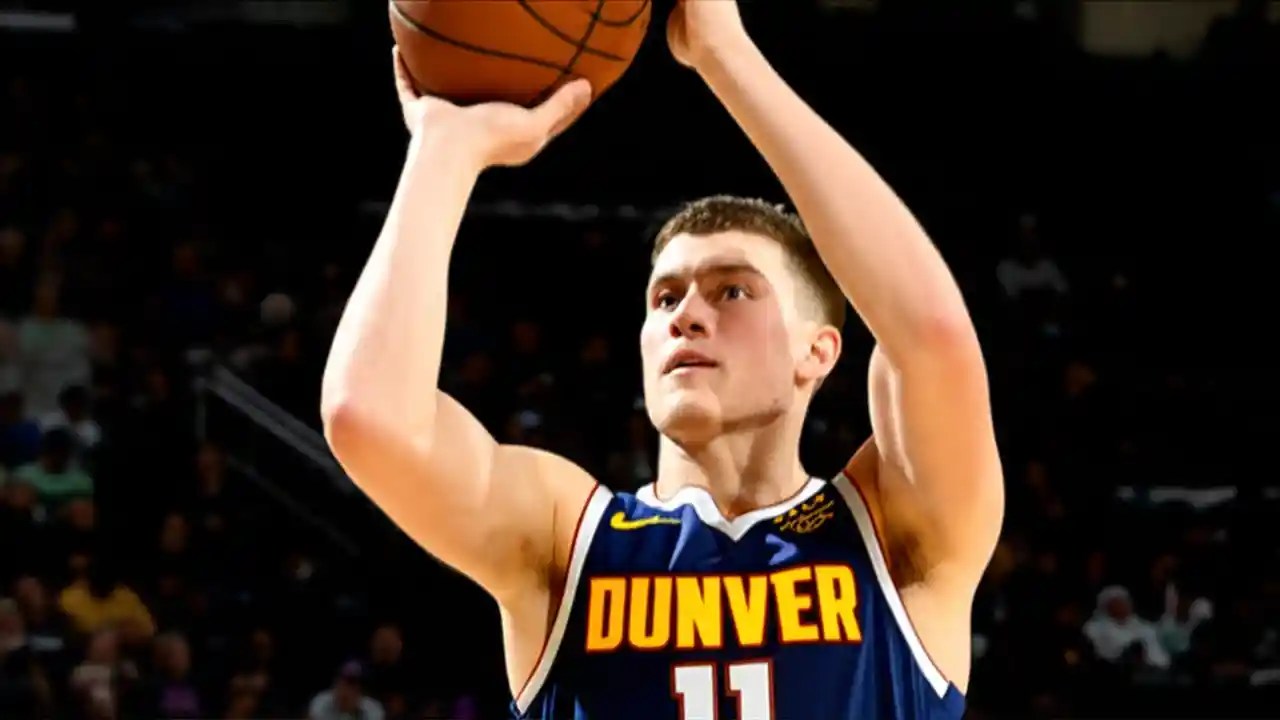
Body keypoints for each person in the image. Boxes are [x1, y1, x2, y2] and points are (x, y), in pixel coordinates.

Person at [321, 1, 1004, 718]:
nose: (687, 314)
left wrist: (725, 54)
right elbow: (368, 416)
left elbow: (932, 335)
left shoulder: (894, 532)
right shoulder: (565, 541)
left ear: (817, 350)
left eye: (732, 289)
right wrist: (443, 149)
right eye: (665, 297)